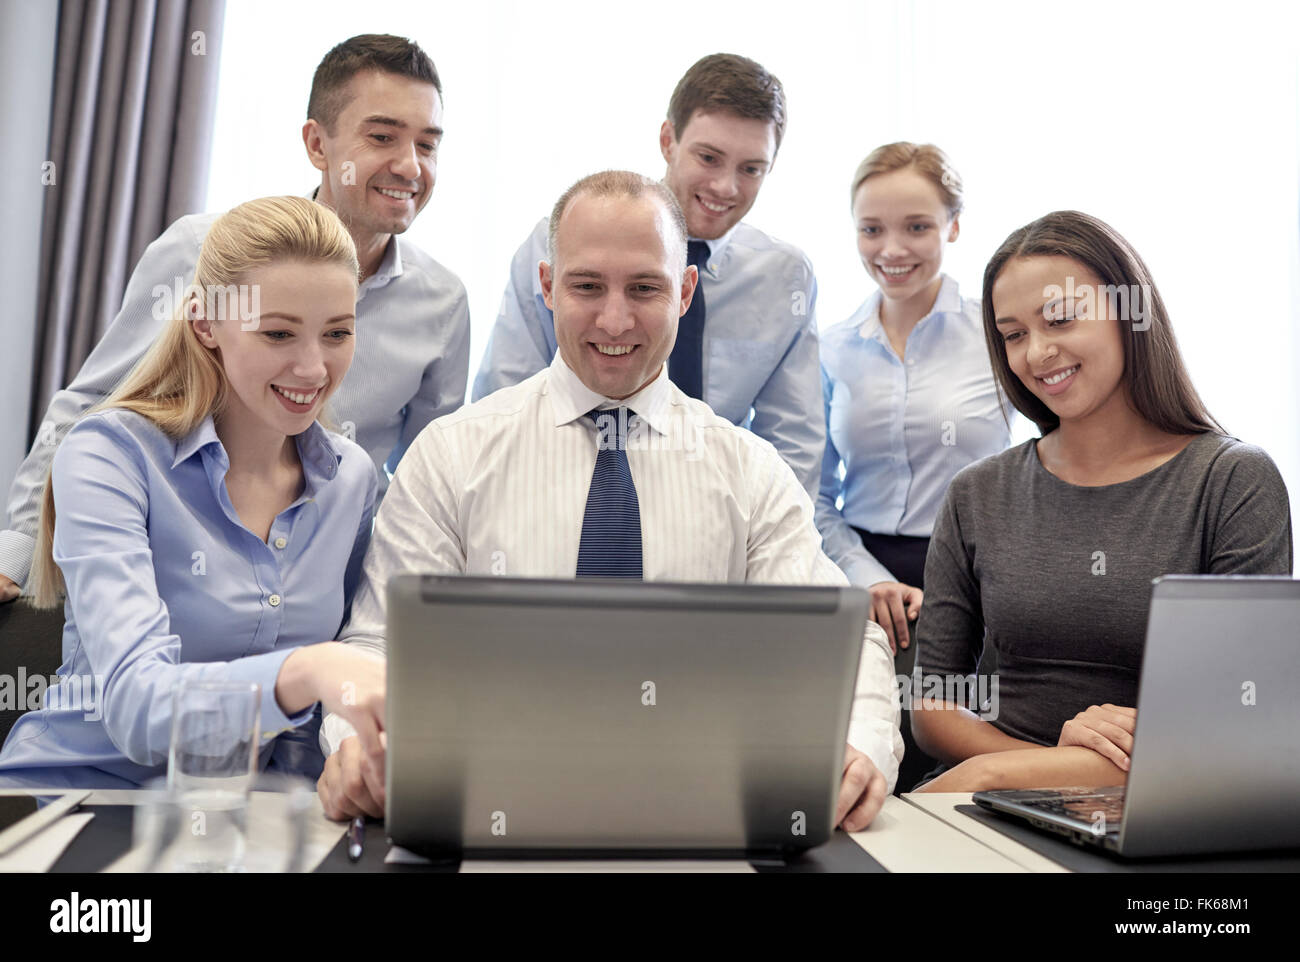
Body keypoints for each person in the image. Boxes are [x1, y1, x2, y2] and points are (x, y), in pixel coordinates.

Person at [316, 171, 903, 831]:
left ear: (684, 292)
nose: (615, 319)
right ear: (547, 288)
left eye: (645, 288)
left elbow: (845, 639)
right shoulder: (451, 457)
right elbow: (375, 644)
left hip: (697, 818)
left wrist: (858, 746)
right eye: (587, 286)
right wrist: (351, 746)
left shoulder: (748, 472)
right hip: (488, 813)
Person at [0, 34, 470, 604]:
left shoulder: (443, 303)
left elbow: (423, 489)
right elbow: (93, 403)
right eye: (382, 137)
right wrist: (17, 550)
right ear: (317, 144)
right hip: (176, 578)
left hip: (318, 598)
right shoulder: (202, 251)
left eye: (428, 144)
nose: (410, 166)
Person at [0, 197, 389, 789]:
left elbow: (326, 713)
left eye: (337, 333)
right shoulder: (110, 456)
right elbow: (138, 709)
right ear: (206, 322)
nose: (313, 369)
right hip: (83, 803)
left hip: (256, 819)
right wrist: (307, 670)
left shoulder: (353, 479)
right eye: (278, 333)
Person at [911, 210, 1292, 793]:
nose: (1037, 354)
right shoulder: (976, 493)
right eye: (1013, 335)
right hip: (985, 799)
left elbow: (1240, 711)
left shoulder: (1232, 481)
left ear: (1129, 313)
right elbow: (933, 707)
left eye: (1060, 319)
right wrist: (1033, 770)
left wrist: (1000, 771)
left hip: (1152, 802)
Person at [471, 53, 824, 496]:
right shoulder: (565, 242)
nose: (726, 187)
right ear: (668, 141)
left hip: (716, 515)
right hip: (560, 495)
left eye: (751, 169)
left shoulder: (785, 278)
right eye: (709, 157)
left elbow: (793, 446)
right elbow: (503, 404)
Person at [815, 143, 1016, 791]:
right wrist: (865, 577)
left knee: (960, 758)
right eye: (871, 229)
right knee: (862, 757)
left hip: (979, 576)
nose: (891, 249)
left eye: (917, 227)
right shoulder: (832, 346)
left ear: (953, 226)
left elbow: (1045, 464)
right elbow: (814, 497)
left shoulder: (999, 334)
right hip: (867, 579)